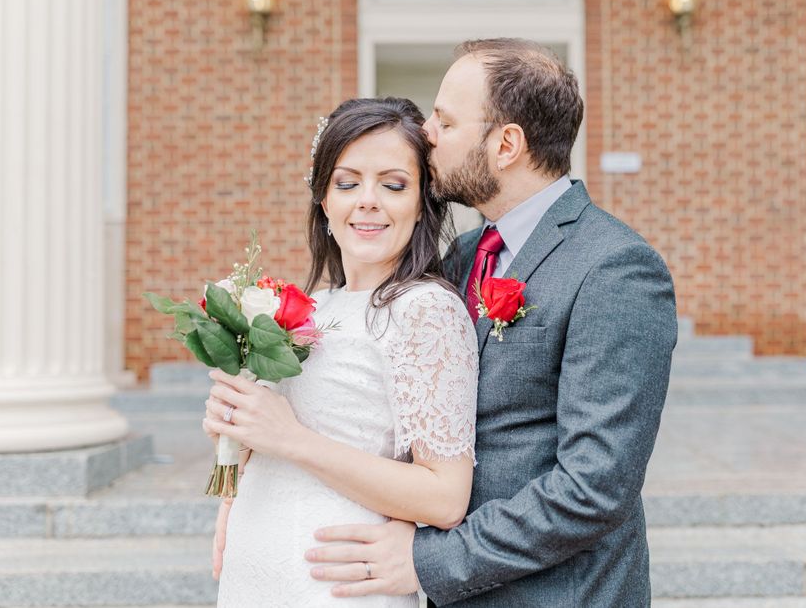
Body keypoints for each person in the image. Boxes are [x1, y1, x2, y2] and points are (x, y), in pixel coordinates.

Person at [305, 39, 678, 606]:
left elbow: (594, 488)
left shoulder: (614, 269)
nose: (426, 132)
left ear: (506, 145)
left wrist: (430, 562)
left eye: (446, 121)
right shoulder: (461, 256)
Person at [202, 97, 479, 607]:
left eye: (393, 185)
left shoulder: (425, 310)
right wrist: (237, 435)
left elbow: (445, 498)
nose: (367, 200)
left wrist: (288, 437)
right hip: (256, 575)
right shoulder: (313, 309)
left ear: (422, 203)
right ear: (324, 200)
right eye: (347, 183)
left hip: (337, 585)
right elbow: (280, 437)